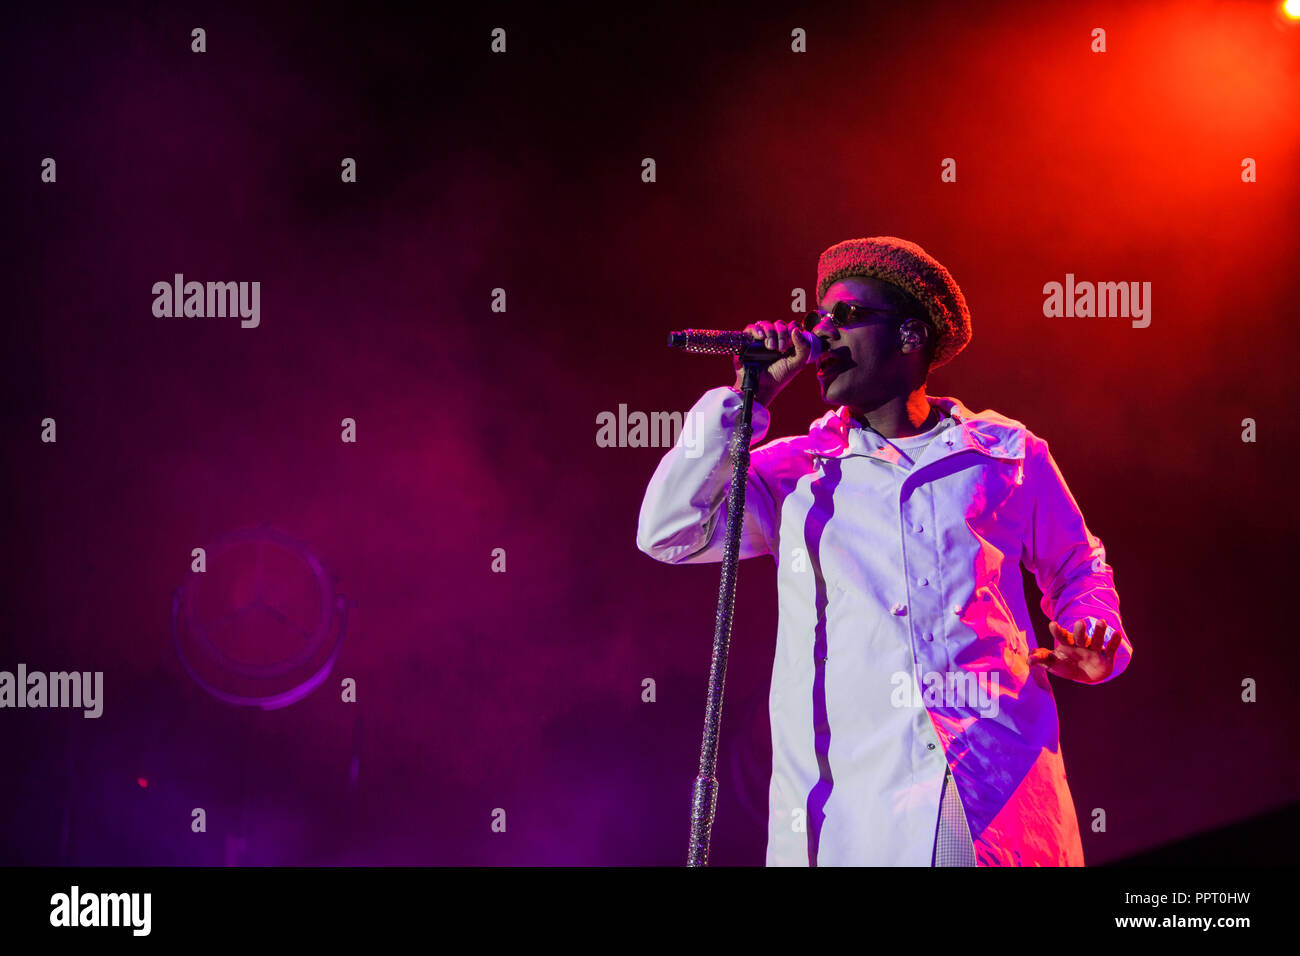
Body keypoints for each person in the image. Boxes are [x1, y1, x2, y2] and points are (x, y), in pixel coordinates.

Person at [636, 236, 1132, 866]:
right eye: (816, 319)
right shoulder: (799, 474)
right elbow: (667, 530)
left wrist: (1095, 633)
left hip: (988, 785)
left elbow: (1079, 565)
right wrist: (748, 400)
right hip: (854, 808)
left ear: (910, 337)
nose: (820, 336)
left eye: (844, 316)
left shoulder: (1007, 453)